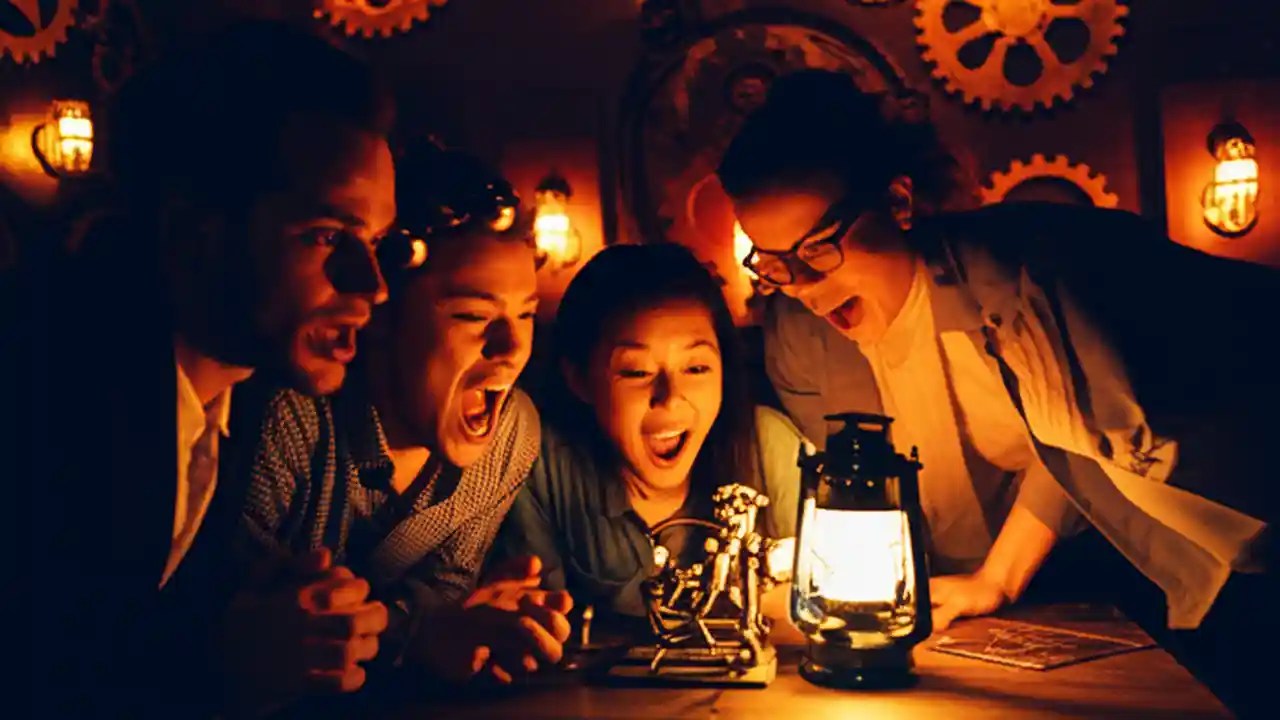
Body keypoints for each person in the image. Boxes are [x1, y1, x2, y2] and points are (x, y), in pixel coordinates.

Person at [718, 69, 1276, 714]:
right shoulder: (798, 334)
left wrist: (1000, 576)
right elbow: (883, 483)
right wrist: (985, 583)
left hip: (1219, 534)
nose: (801, 286)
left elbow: (1081, 437)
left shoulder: (1021, 280)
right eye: (772, 262)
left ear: (898, 203)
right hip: (1046, 590)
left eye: (818, 249)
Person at [31, 22, 397, 716]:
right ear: (192, 236)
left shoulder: (244, 400)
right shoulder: (47, 390)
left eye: (377, 241)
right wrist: (222, 664)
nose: (372, 284)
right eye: (326, 236)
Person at [234, 144, 571, 691]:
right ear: (382, 319)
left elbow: (441, 596)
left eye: (527, 314)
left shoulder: (508, 433)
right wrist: (417, 634)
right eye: (472, 316)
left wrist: (453, 626)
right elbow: (233, 618)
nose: (511, 348)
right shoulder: (292, 418)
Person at [493, 243, 806, 637]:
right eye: (636, 371)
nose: (670, 396)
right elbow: (535, 622)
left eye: (696, 367)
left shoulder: (768, 446)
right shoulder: (540, 462)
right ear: (579, 379)